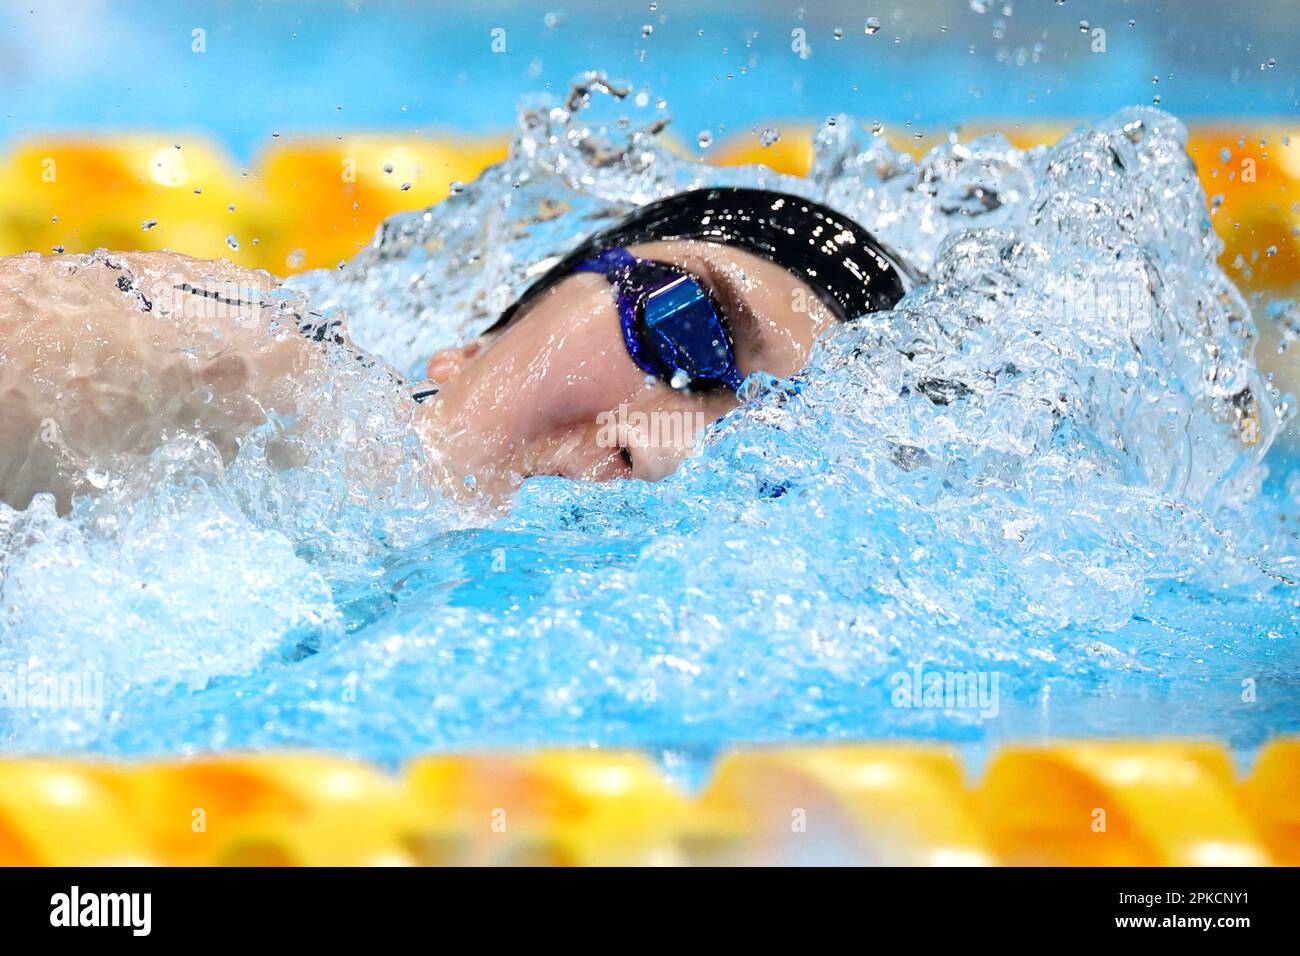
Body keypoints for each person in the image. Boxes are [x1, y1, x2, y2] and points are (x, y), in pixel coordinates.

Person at [0, 188, 913, 512]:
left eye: (756, 444)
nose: (661, 441)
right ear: (473, 347)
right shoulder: (239, 361)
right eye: (688, 328)